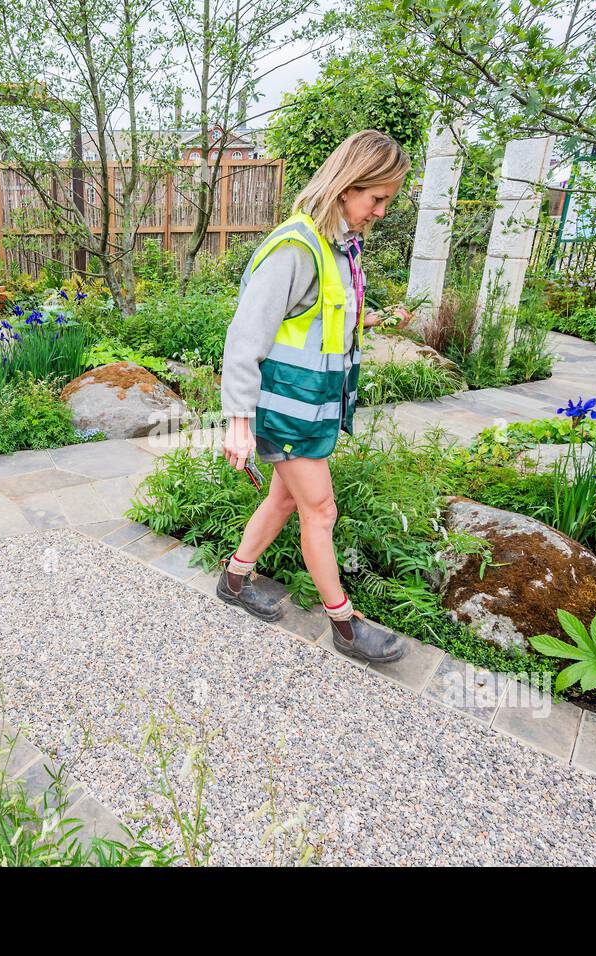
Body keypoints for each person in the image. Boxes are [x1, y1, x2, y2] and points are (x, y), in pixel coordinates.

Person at [217, 129, 413, 664]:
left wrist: (369, 318)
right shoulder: (294, 248)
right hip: (286, 410)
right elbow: (245, 339)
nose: (379, 212)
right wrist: (238, 421)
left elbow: (314, 322)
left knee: (285, 498)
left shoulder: (337, 248)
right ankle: (345, 626)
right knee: (320, 510)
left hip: (311, 407)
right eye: (377, 199)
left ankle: (235, 580)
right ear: (348, 185)